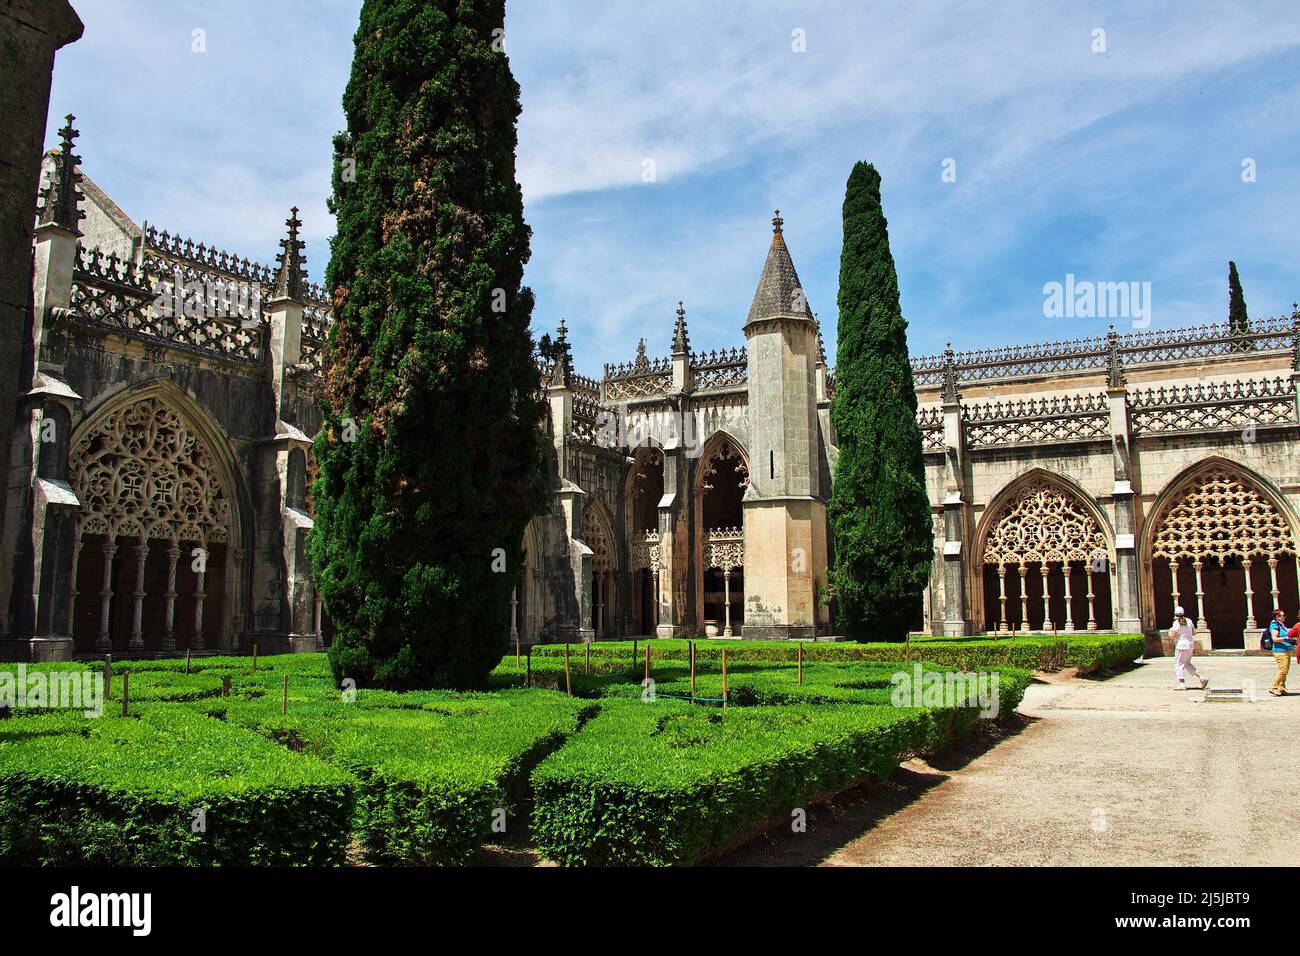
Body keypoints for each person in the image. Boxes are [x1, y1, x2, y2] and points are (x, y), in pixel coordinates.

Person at [1170, 606, 1206, 691]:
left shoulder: (1176, 623)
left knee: (1179, 664)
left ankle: (1182, 684)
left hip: (1181, 645)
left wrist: (1171, 632)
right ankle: (1202, 678)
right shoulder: (1189, 621)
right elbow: (1194, 632)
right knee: (1186, 664)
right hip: (1190, 644)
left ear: (1175, 614)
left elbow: (1172, 636)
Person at [1270, 609, 1296, 697]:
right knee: (1283, 670)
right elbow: (1274, 639)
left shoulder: (1281, 625)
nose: (1284, 617)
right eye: (1282, 615)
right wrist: (1286, 638)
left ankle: (1281, 688)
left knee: (1285, 671)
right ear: (1277, 617)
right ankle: (1273, 687)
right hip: (1280, 651)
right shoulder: (1274, 625)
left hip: (1286, 650)